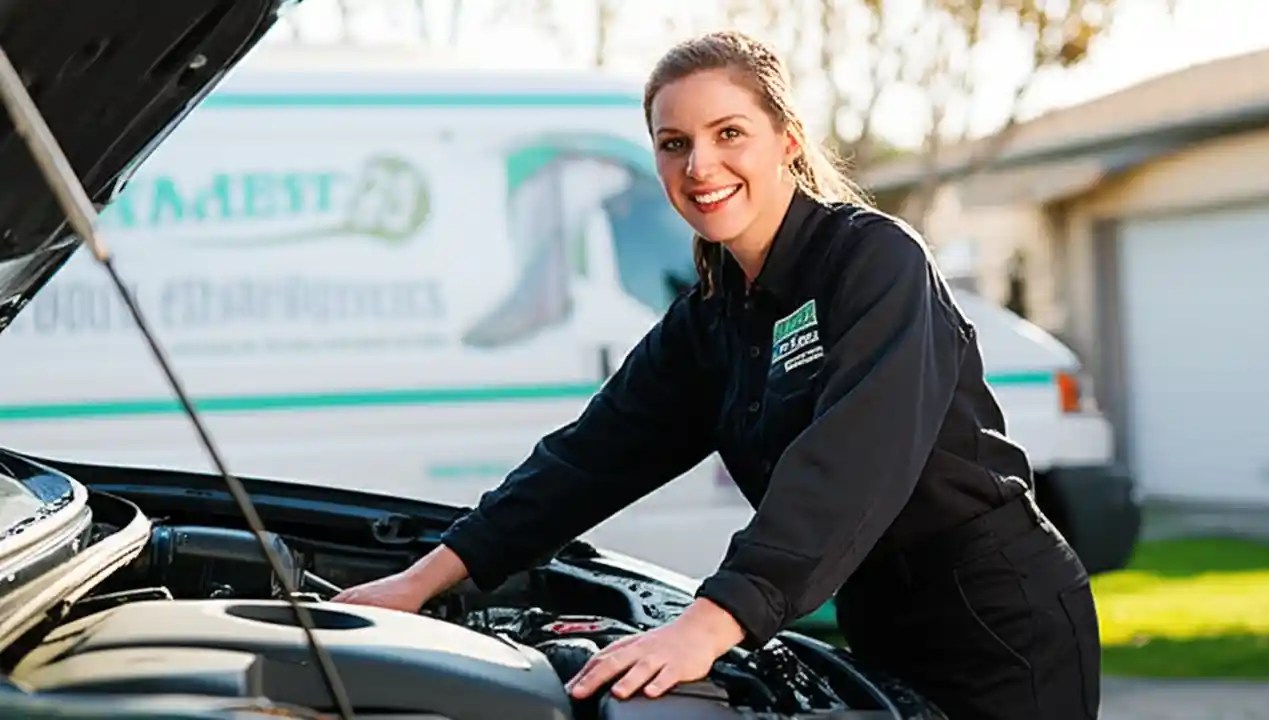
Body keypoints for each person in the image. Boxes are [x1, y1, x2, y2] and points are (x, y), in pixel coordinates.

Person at [334, 29, 1102, 719]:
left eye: (728, 132)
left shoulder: (872, 260)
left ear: (788, 142)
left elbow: (851, 461)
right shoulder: (711, 318)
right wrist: (427, 577)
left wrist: (713, 621)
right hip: (880, 628)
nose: (700, 165)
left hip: (998, 629)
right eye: (674, 144)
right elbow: (586, 458)